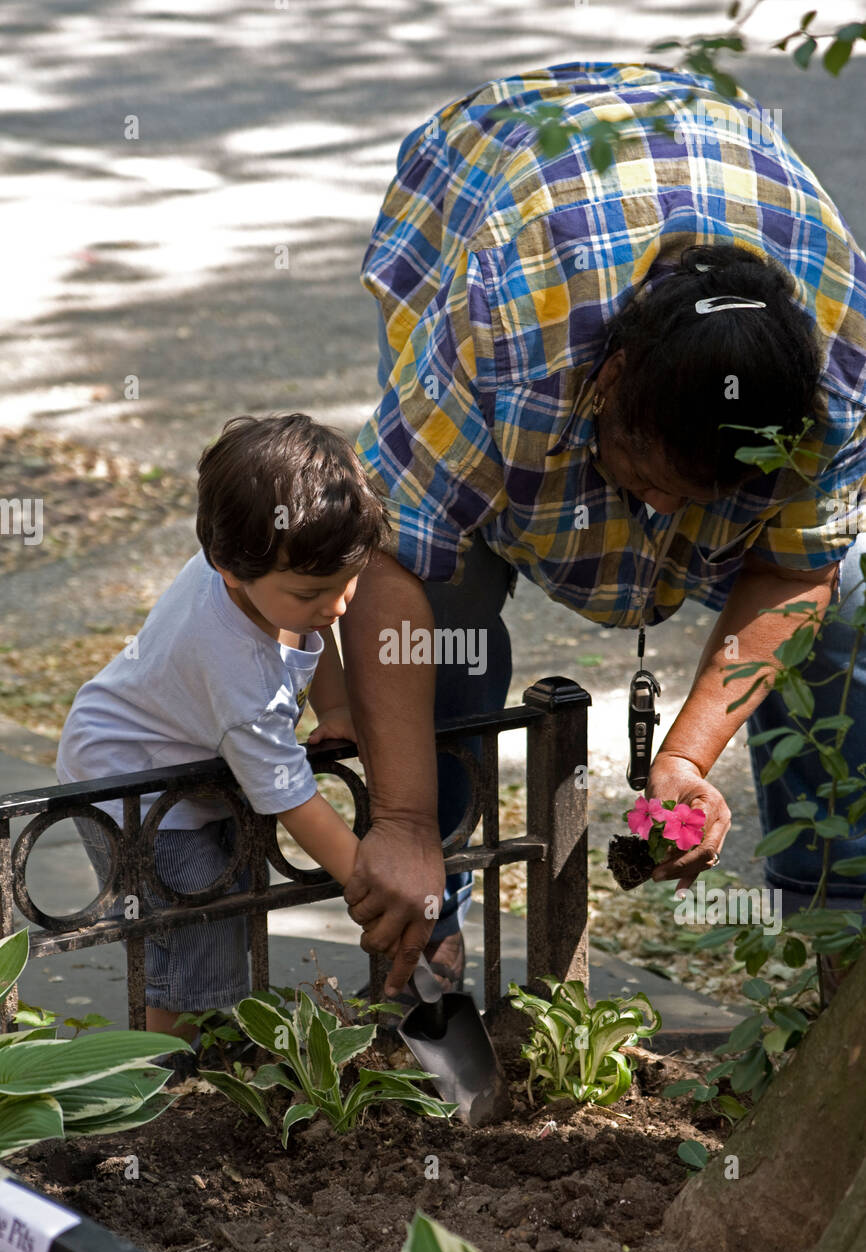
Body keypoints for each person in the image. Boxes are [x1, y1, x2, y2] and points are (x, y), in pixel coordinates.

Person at [340, 58, 866, 1005]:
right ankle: (426, 911)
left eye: (705, 499)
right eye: (651, 479)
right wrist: (407, 816)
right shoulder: (507, 319)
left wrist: (687, 759)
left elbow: (796, 565)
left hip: (721, 191)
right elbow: (395, 560)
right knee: (450, 595)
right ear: (612, 381)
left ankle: (847, 943)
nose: (665, 518)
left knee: (851, 616)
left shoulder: (836, 361)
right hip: (489, 177)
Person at [56, 413, 388, 1050]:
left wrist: (337, 709)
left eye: (349, 581)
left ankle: (215, 1046)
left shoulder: (260, 567)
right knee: (191, 936)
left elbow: (310, 629)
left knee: (231, 902)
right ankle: (172, 1081)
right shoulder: (241, 681)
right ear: (229, 567)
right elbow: (291, 798)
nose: (339, 605)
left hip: (190, 762)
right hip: (133, 790)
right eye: (316, 589)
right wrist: (365, 883)